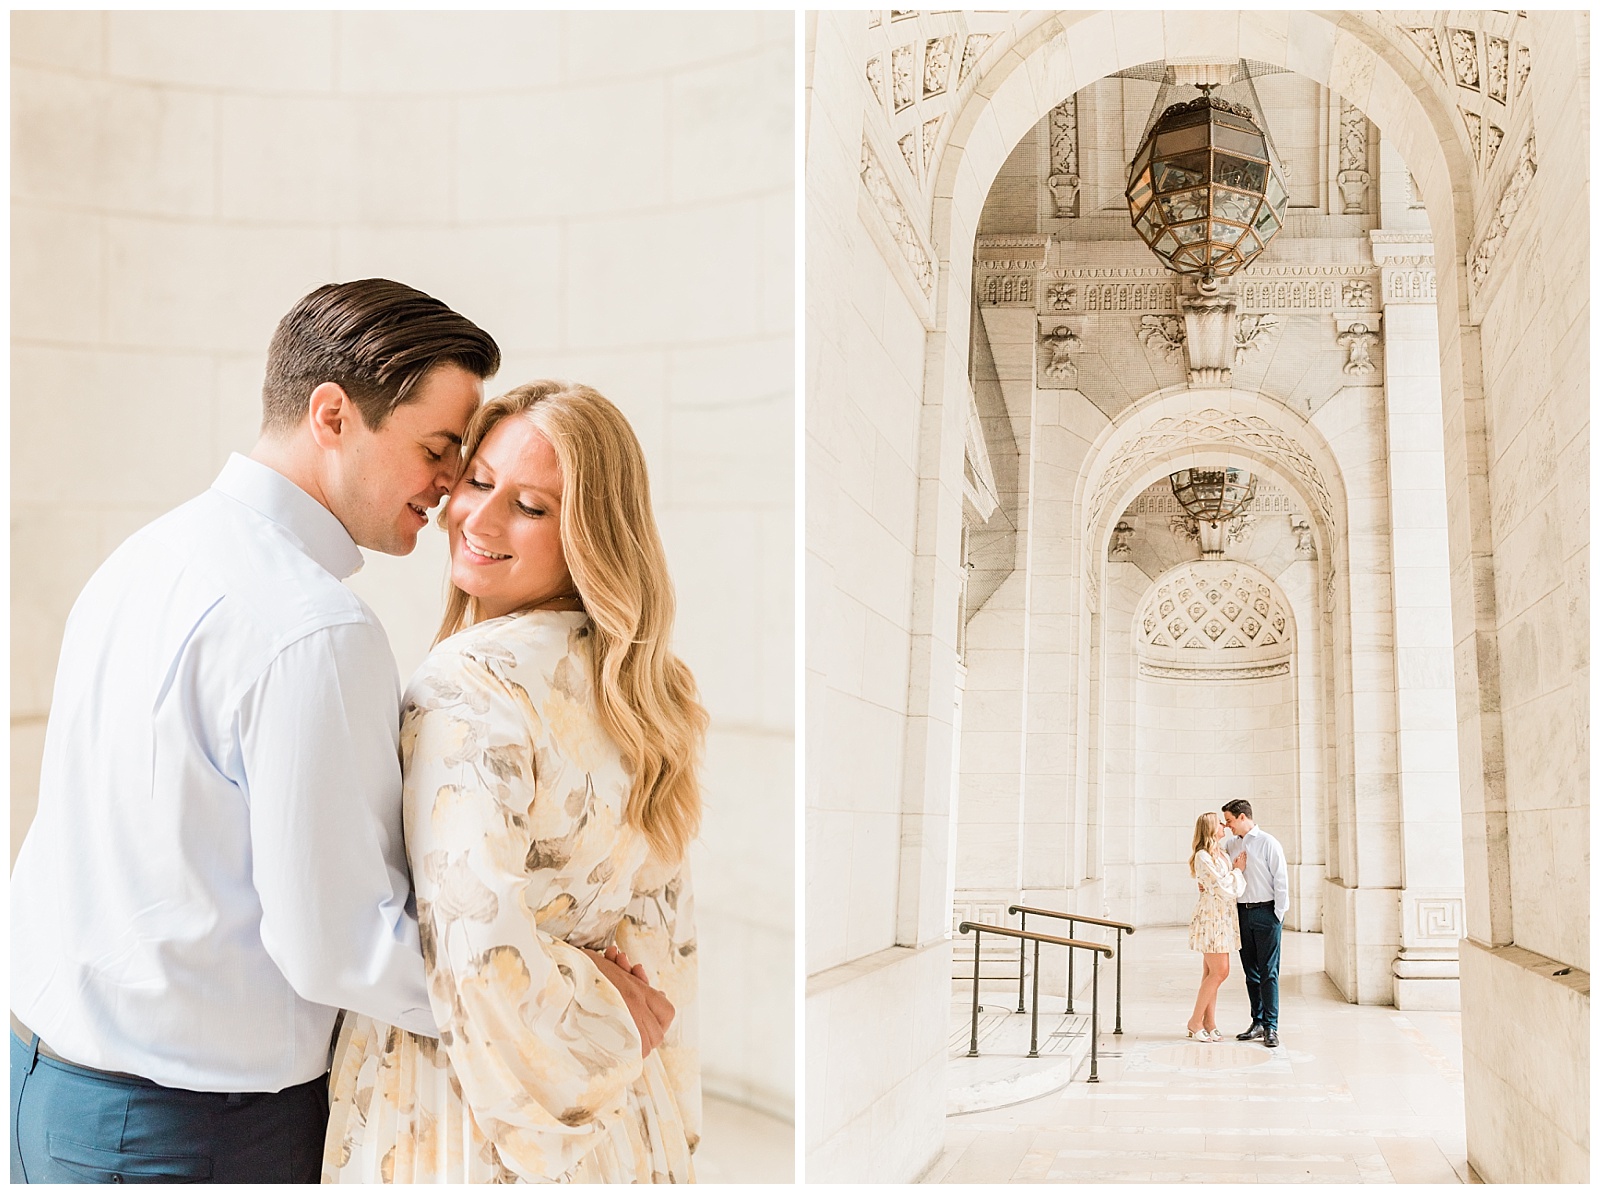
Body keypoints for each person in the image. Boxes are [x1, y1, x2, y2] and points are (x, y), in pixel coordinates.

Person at [9, 279, 501, 1183]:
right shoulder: (314, 628)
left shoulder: (142, 555)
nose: (451, 484)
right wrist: (542, 1004)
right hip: (190, 1134)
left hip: (43, 1085)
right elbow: (338, 946)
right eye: (438, 448)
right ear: (333, 414)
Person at [323, 381, 707, 1184]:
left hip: (464, 1112)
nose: (479, 520)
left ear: (591, 534)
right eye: (477, 482)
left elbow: (475, 952)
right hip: (621, 1117)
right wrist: (627, 1050)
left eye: (531, 506)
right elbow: (664, 950)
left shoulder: (470, 681)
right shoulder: (645, 689)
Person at [1220, 798, 1290, 1047]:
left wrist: (1277, 915)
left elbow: (1281, 880)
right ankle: (1257, 1021)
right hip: (1241, 913)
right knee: (1251, 972)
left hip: (1266, 912)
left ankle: (1271, 1026)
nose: (1227, 826)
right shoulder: (1230, 844)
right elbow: (1220, 870)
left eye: (1229, 820)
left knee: (1268, 972)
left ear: (1242, 817)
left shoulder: (1268, 842)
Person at [1185, 811, 1248, 1041]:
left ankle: (1209, 1022)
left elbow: (1222, 885)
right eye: (1220, 823)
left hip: (1223, 917)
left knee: (1211, 972)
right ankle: (1194, 1021)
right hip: (1212, 918)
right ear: (1211, 828)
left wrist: (1231, 875)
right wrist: (1238, 871)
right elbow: (1222, 887)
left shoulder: (1219, 853)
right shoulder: (1202, 856)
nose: (1224, 826)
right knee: (1221, 971)